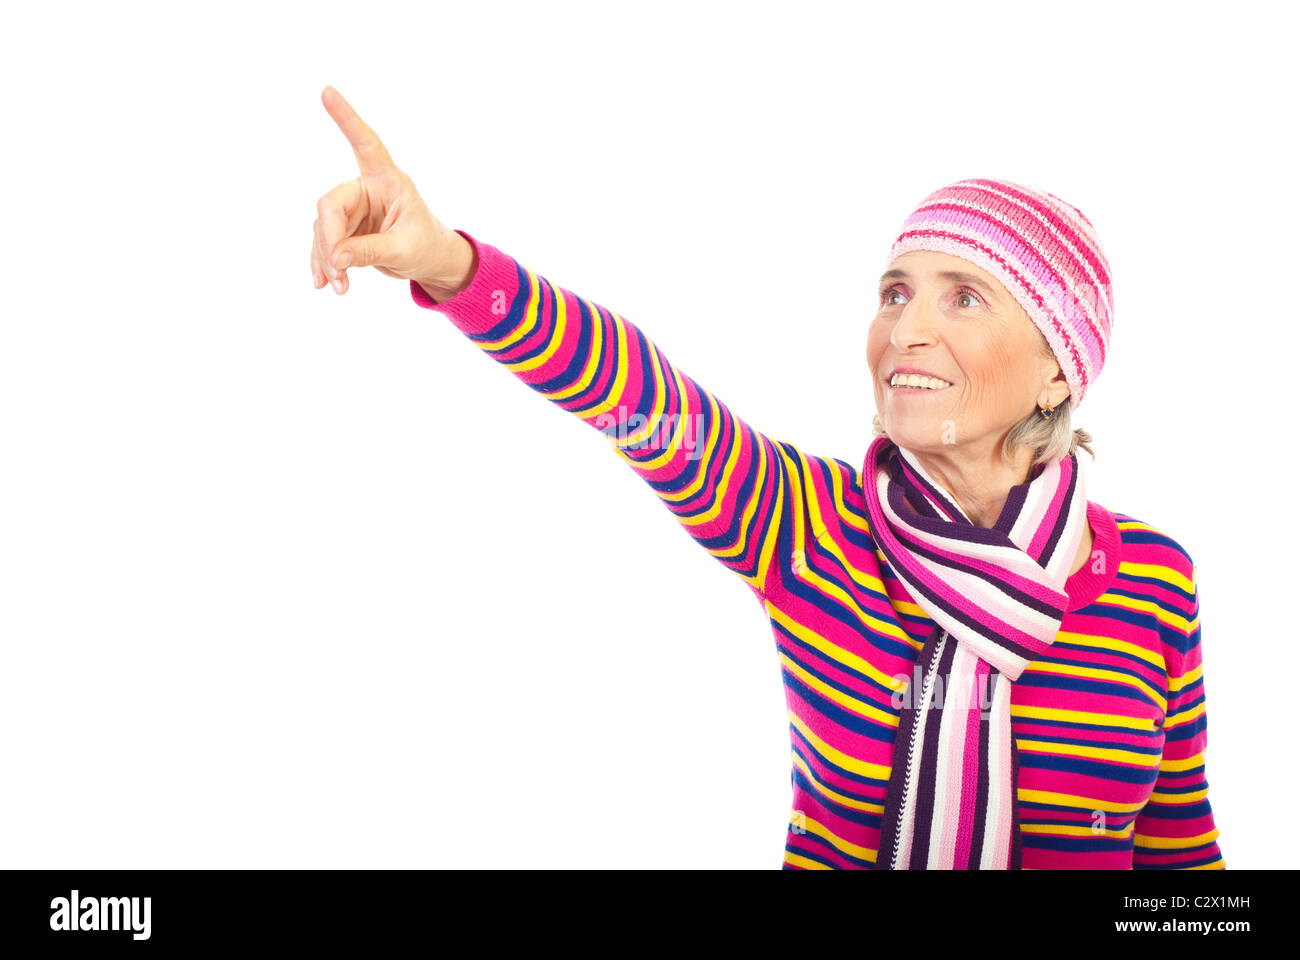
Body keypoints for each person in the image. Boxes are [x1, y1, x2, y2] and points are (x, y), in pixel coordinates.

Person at [309, 85, 1224, 870]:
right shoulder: (807, 523)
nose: (904, 329)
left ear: (1059, 367)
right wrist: (449, 265)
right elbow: (632, 391)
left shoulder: (1152, 579)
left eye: (965, 296)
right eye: (895, 291)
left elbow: (1181, 861)